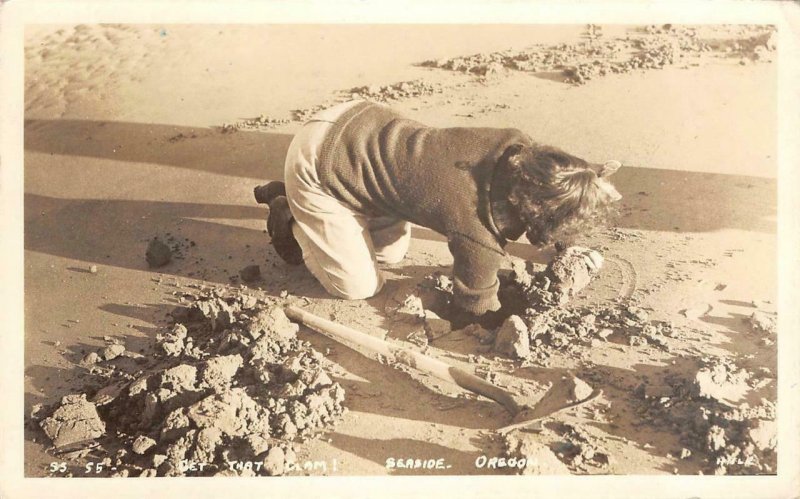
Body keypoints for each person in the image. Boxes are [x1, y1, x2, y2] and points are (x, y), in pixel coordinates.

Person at [254, 100, 622, 316]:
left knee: (390, 253)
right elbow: (475, 302)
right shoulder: (478, 229)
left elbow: (560, 173)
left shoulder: (516, 148)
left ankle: (318, 203)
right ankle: (292, 217)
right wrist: (503, 315)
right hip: (319, 160)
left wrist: (586, 181)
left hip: (360, 120)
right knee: (360, 286)